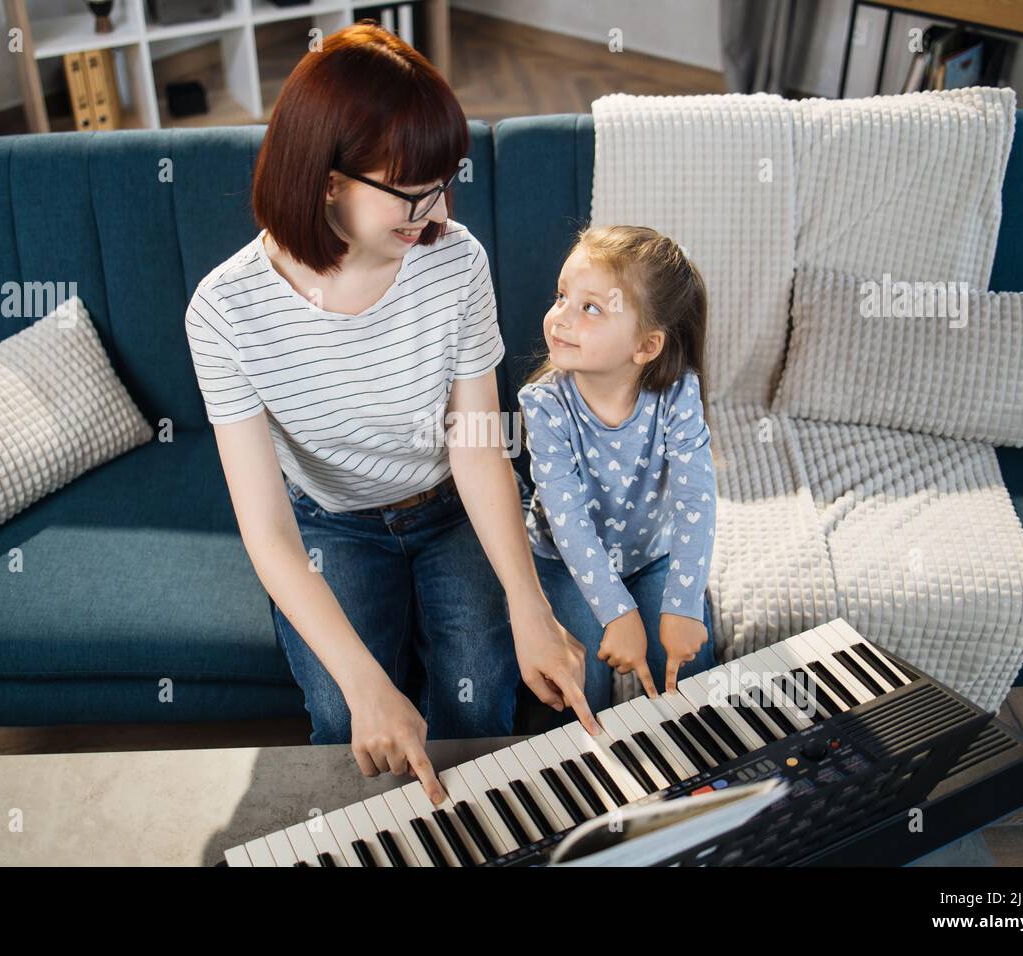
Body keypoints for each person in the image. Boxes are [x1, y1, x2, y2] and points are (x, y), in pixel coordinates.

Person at [183, 24, 599, 806]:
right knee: (350, 714)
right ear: (327, 178)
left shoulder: (456, 259)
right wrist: (369, 689)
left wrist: (529, 604)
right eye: (411, 192)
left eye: (444, 184)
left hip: (451, 511)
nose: (434, 212)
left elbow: (478, 449)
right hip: (331, 525)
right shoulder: (225, 309)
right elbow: (269, 532)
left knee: (478, 702)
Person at [519, 225, 717, 716]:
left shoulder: (676, 395)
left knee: (692, 668)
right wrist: (617, 611)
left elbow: (697, 502)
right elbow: (568, 522)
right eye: (561, 296)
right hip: (563, 563)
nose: (560, 318)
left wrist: (683, 605)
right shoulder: (544, 406)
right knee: (579, 683)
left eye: (591, 308)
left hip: (651, 554)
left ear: (646, 346)